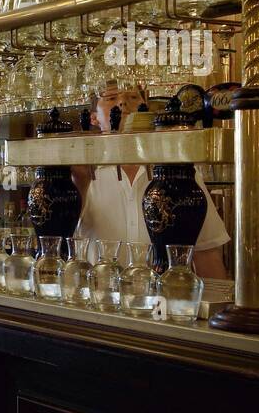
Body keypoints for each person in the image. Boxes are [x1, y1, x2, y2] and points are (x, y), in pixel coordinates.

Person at [72, 80, 229, 279]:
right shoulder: (82, 173)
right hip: (100, 302)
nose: (122, 103)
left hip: (164, 302)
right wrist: (81, 182)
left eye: (133, 97)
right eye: (112, 98)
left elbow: (206, 252)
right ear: (93, 118)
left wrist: (217, 306)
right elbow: (58, 244)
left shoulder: (179, 170)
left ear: (146, 108)